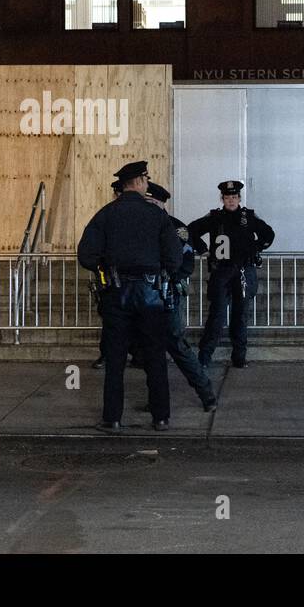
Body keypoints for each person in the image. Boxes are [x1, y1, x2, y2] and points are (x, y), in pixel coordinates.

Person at [77, 161, 182, 432]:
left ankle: (112, 418)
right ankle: (160, 417)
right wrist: (161, 272)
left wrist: (105, 266)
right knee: (155, 357)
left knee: (115, 359)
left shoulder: (106, 214)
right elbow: (174, 257)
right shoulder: (157, 216)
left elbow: (85, 255)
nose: (148, 182)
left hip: (117, 294)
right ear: (137, 181)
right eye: (146, 178)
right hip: (150, 294)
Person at [187, 180, 275, 369]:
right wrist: (202, 250)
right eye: (228, 197)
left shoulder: (249, 217)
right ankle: (204, 358)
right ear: (222, 199)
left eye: (234, 197)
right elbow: (190, 231)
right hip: (222, 272)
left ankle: (239, 358)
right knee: (217, 316)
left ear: (239, 198)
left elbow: (268, 234)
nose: (231, 201)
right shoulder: (214, 217)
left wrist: (256, 248)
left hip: (244, 271)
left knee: (240, 316)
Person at [147, 182, 217, 412]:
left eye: (152, 203)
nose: (148, 207)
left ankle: (206, 393)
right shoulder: (141, 225)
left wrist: (170, 277)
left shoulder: (177, 228)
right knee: (150, 350)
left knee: (177, 346)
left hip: (168, 294)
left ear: (161, 203)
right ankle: (156, 399)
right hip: (147, 294)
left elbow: (186, 263)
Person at [90, 179, 123, 371]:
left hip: (128, 277)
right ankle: (107, 355)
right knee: (110, 321)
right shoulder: (107, 215)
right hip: (110, 276)